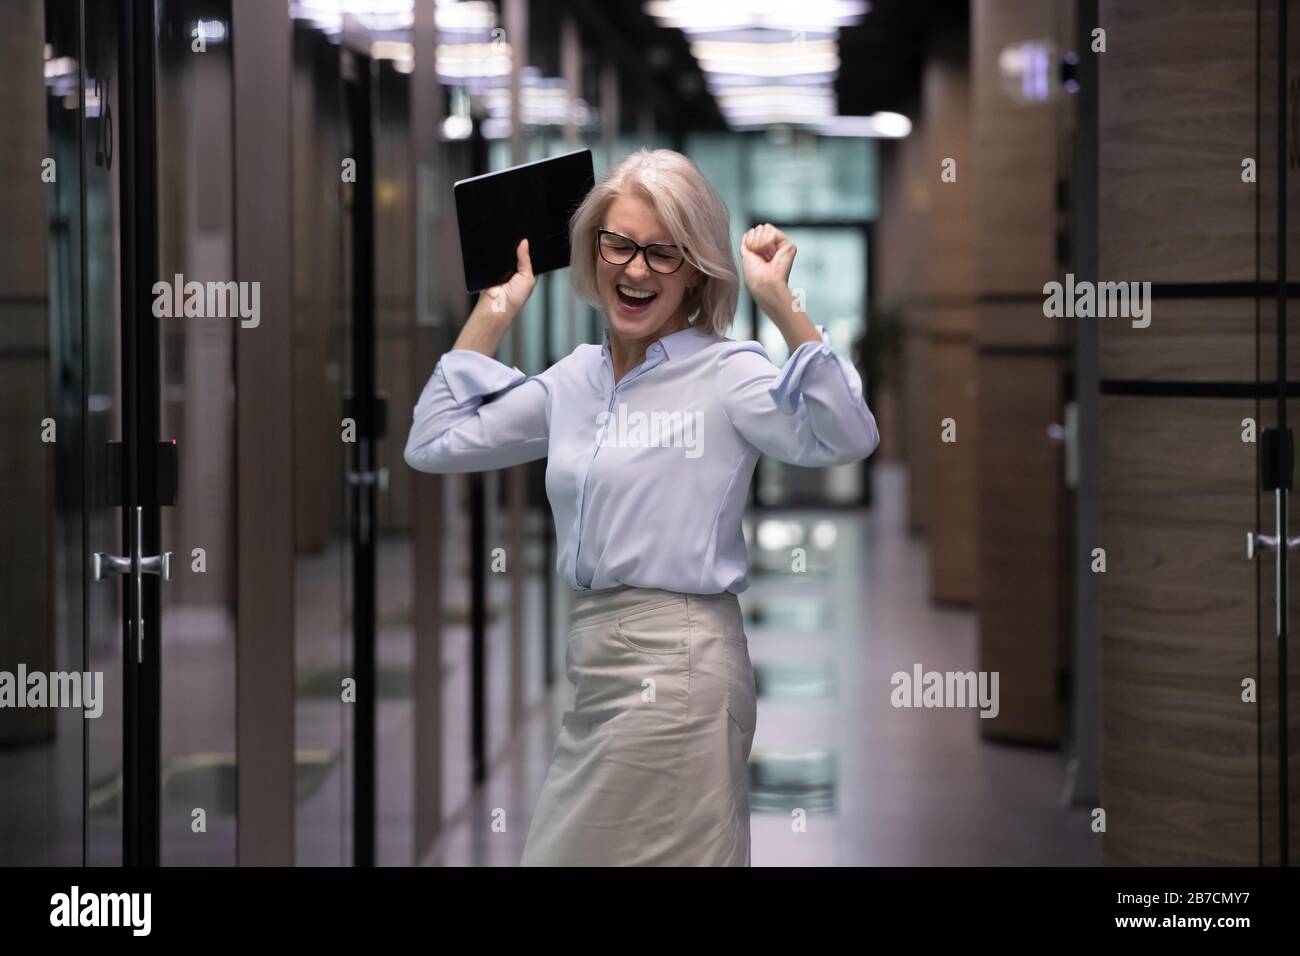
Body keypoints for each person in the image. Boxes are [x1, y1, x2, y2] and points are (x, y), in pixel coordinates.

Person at [404, 148, 879, 866]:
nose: (635, 270)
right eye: (619, 244)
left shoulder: (726, 372)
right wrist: (494, 311)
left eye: (664, 253)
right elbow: (434, 442)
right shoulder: (575, 381)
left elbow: (848, 435)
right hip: (597, 671)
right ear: (592, 249)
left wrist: (783, 302)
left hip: (681, 668)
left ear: (696, 271)